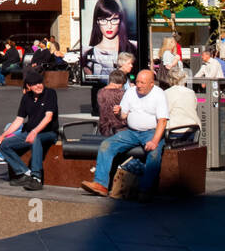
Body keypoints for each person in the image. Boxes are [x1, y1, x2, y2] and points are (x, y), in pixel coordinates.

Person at [81, 68, 167, 202]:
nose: (139, 85)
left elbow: (162, 121)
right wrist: (119, 112)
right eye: (137, 82)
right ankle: (101, 184)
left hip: (151, 131)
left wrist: (155, 141)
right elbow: (123, 116)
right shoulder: (131, 92)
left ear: (151, 84)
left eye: (143, 83)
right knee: (107, 145)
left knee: (154, 154)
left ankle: (145, 190)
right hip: (132, 131)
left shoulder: (159, 94)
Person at [0, 69, 58, 191]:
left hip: (48, 133)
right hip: (29, 133)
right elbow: (19, 120)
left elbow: (48, 117)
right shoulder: (26, 98)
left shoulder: (50, 93)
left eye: (40, 82)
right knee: (4, 144)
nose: (39, 86)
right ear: (28, 86)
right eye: (35, 84)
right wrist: (4, 135)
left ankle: (36, 178)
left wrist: (34, 131)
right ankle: (25, 173)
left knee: (36, 138)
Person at [81, 0, 137, 82]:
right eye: (103, 20)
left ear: (120, 20)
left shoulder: (134, 47)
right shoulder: (88, 53)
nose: (109, 26)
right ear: (97, 21)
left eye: (114, 19)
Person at [164, 63, 200, 133]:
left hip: (174, 129)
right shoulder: (191, 92)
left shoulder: (167, 93)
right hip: (192, 128)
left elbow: (164, 113)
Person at [96, 69, 126, 137]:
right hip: (119, 129)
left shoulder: (100, 92)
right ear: (121, 83)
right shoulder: (122, 93)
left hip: (104, 128)